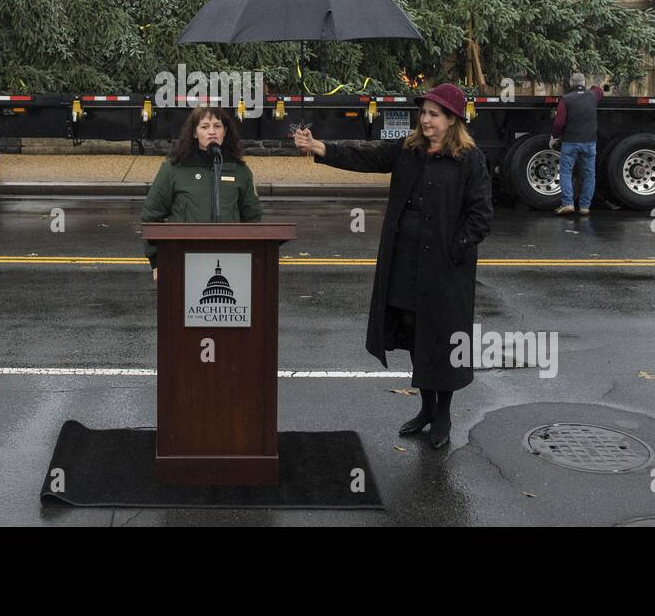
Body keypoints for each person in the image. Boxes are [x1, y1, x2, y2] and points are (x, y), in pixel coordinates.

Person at [293, 82, 492, 449]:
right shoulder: (409, 149)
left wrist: (455, 249)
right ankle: (427, 408)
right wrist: (318, 146)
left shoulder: (469, 159)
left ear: (451, 120)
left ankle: (444, 415)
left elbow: (480, 215)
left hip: (445, 267)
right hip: (405, 258)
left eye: (433, 114)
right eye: (424, 113)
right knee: (416, 330)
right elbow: (366, 157)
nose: (425, 120)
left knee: (441, 338)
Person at [141, 105, 263, 282]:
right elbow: (151, 216)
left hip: (230, 261)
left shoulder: (239, 170)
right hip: (181, 259)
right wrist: (157, 261)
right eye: (204, 127)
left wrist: (253, 258)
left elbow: (253, 218)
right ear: (194, 133)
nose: (212, 131)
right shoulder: (174, 169)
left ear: (225, 131)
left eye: (217, 126)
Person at [551, 72, 605, 216]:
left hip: (571, 142)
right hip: (590, 143)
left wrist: (555, 136)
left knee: (566, 173)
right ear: (584, 83)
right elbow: (599, 90)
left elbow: (559, 122)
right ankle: (585, 207)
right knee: (589, 175)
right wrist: (593, 85)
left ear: (570, 83)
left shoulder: (566, 99)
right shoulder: (593, 96)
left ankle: (568, 203)